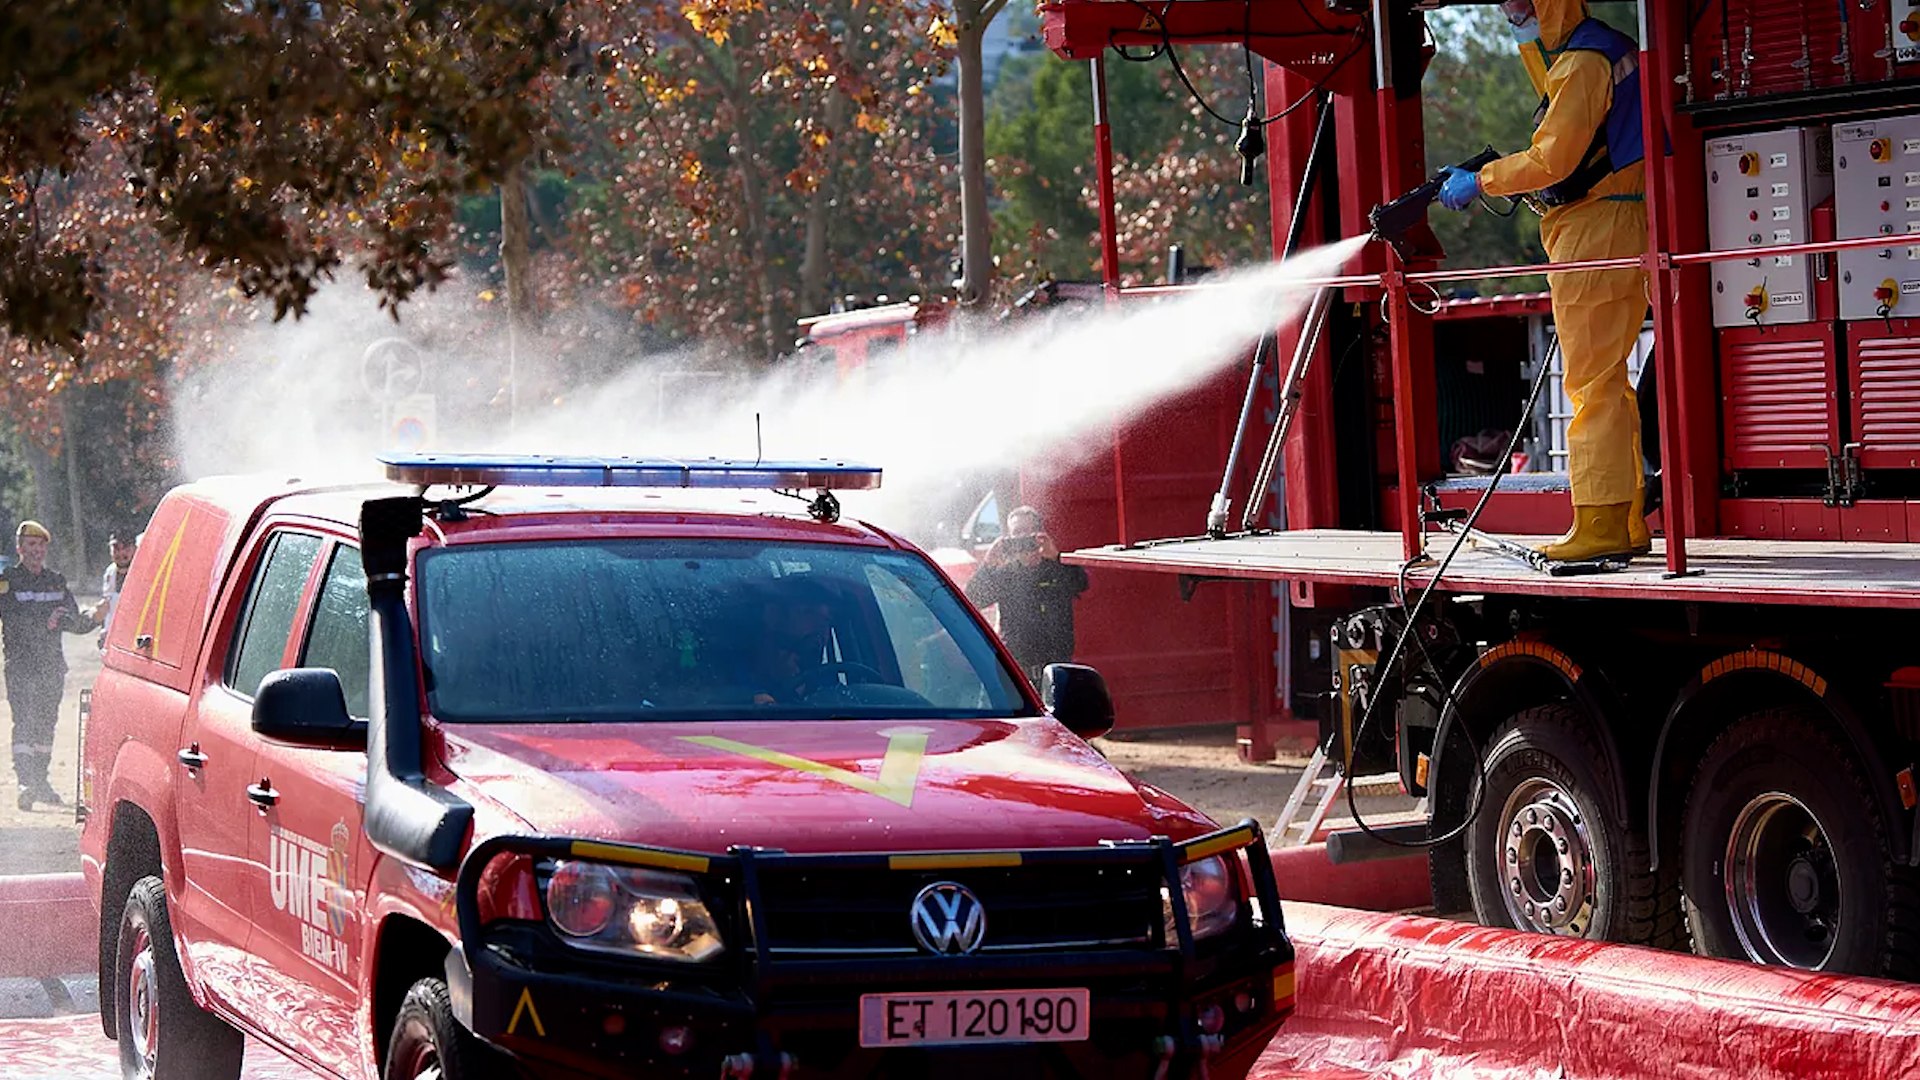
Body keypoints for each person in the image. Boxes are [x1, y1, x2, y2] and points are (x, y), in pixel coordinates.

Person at [1436, 0, 1651, 562]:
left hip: (1595, 231)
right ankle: (1624, 519)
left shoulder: (1583, 61)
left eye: (1518, 1)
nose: (1509, 11)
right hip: (1611, 223)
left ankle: (1600, 524)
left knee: (1591, 386)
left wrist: (1482, 180)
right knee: (1607, 382)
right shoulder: (1597, 50)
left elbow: (1552, 158)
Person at [0, 521, 96, 809]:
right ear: (20, 548)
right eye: (31, 545)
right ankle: (25, 782)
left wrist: (95, 617)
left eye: (41, 545)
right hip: (21, 666)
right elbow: (12, 622)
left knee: (46, 723)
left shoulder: (56, 581)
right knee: (24, 722)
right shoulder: (8, 581)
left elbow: (73, 622)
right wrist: (46, 622)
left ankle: (40, 782)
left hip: (51, 667)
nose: (37, 550)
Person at [964, 506, 1089, 686]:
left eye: (1029, 531)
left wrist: (1056, 557)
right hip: (1018, 674)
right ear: (1009, 537)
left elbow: (1082, 583)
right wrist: (988, 565)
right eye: (1017, 532)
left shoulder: (1056, 568)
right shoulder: (1005, 574)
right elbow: (972, 599)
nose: (1023, 537)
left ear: (1040, 533)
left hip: (1057, 673)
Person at [92, 529, 138, 649]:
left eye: (126, 547)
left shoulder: (142, 572)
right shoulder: (110, 572)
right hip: (114, 641)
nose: (121, 552)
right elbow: (109, 606)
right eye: (116, 548)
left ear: (135, 548)